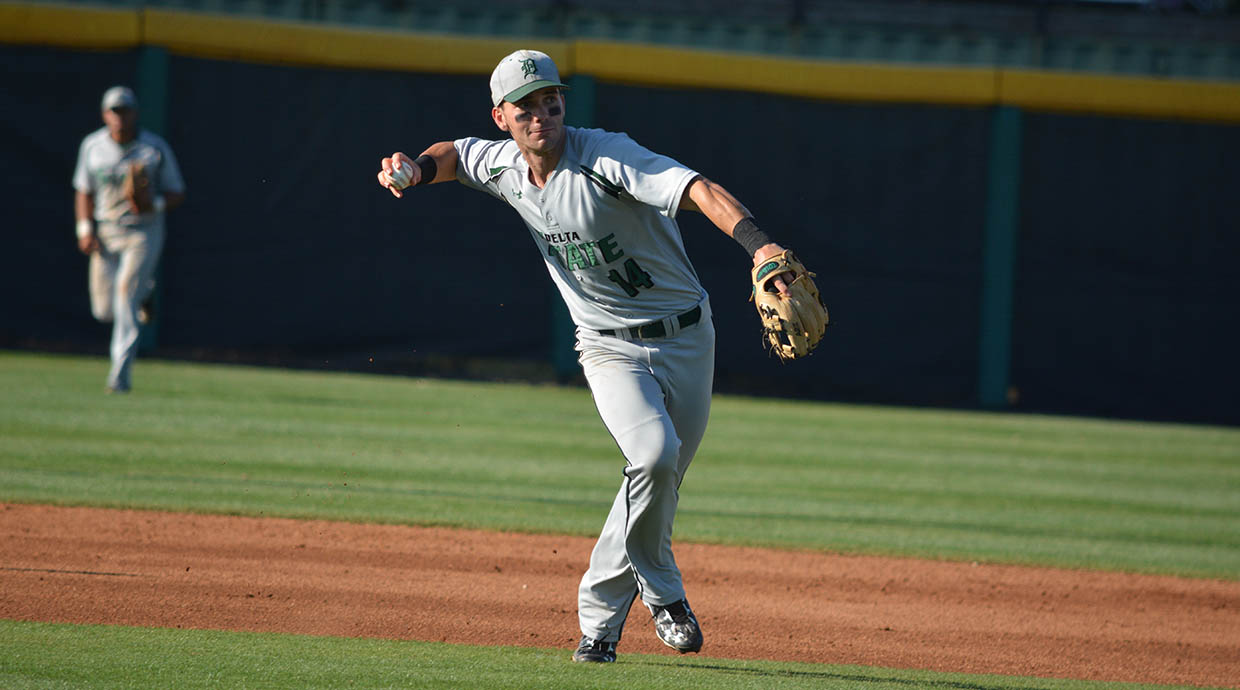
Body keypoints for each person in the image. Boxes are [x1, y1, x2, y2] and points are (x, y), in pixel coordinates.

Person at [377, 50, 793, 663]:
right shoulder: (503, 166)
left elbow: (696, 188)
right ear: (502, 117)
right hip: (606, 347)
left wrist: (760, 246)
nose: (542, 113)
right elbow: (455, 156)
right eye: (526, 106)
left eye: (551, 100)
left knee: (656, 483)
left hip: (687, 338)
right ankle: (665, 593)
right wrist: (414, 167)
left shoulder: (605, 155)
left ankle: (597, 632)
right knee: (652, 457)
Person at [73, 86, 185, 393]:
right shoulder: (93, 146)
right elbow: (83, 190)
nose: (120, 117)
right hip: (106, 231)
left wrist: (155, 204)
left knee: (125, 299)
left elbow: (177, 192)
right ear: (105, 114)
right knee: (104, 310)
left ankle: (119, 378)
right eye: (114, 111)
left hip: (142, 231)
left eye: (125, 111)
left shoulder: (153, 149)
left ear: (135, 113)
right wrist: (84, 229)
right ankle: (146, 290)